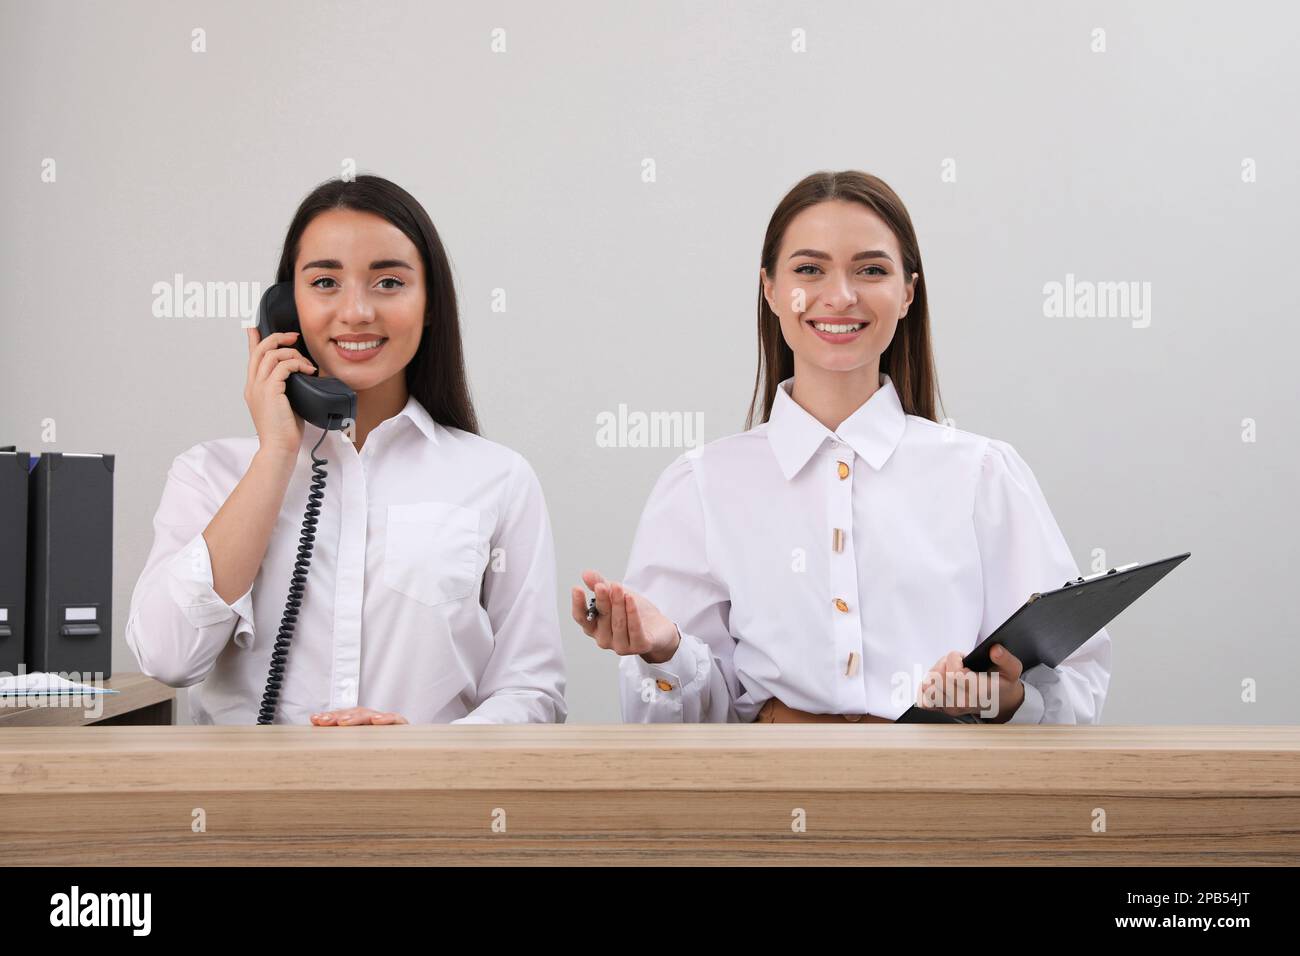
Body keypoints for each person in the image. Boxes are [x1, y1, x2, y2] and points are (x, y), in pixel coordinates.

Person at [573, 170, 1110, 724]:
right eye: (809, 269)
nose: (840, 296)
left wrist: (1005, 701)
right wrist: (665, 651)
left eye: (871, 270)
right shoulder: (700, 485)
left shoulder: (984, 474)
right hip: (768, 802)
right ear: (771, 289)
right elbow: (671, 728)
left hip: (944, 802)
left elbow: (1077, 687)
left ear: (907, 293)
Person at [126, 175, 566, 725]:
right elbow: (168, 657)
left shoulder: (498, 479)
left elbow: (532, 691)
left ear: (430, 303)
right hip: (245, 808)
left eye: (388, 282)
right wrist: (276, 455)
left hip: (424, 804)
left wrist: (425, 751)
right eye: (326, 282)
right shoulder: (208, 474)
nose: (356, 312)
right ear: (285, 309)